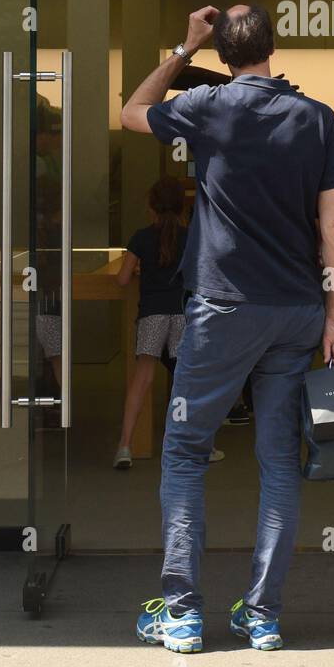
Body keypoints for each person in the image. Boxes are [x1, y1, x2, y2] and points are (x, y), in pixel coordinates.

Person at [121, 2, 334, 654]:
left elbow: (131, 112)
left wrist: (182, 46)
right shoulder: (317, 120)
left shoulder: (209, 108)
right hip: (297, 310)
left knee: (186, 451)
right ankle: (262, 615)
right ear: (272, 48)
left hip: (222, 308)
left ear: (222, 55)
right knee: (278, 460)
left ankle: (183, 613)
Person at [113, 177, 225, 470]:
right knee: (186, 382)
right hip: (181, 314)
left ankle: (124, 446)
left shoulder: (141, 237)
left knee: (142, 379)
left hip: (152, 314)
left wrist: (140, 269)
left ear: (151, 205)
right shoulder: (191, 237)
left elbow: (123, 279)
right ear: (180, 206)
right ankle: (199, 446)